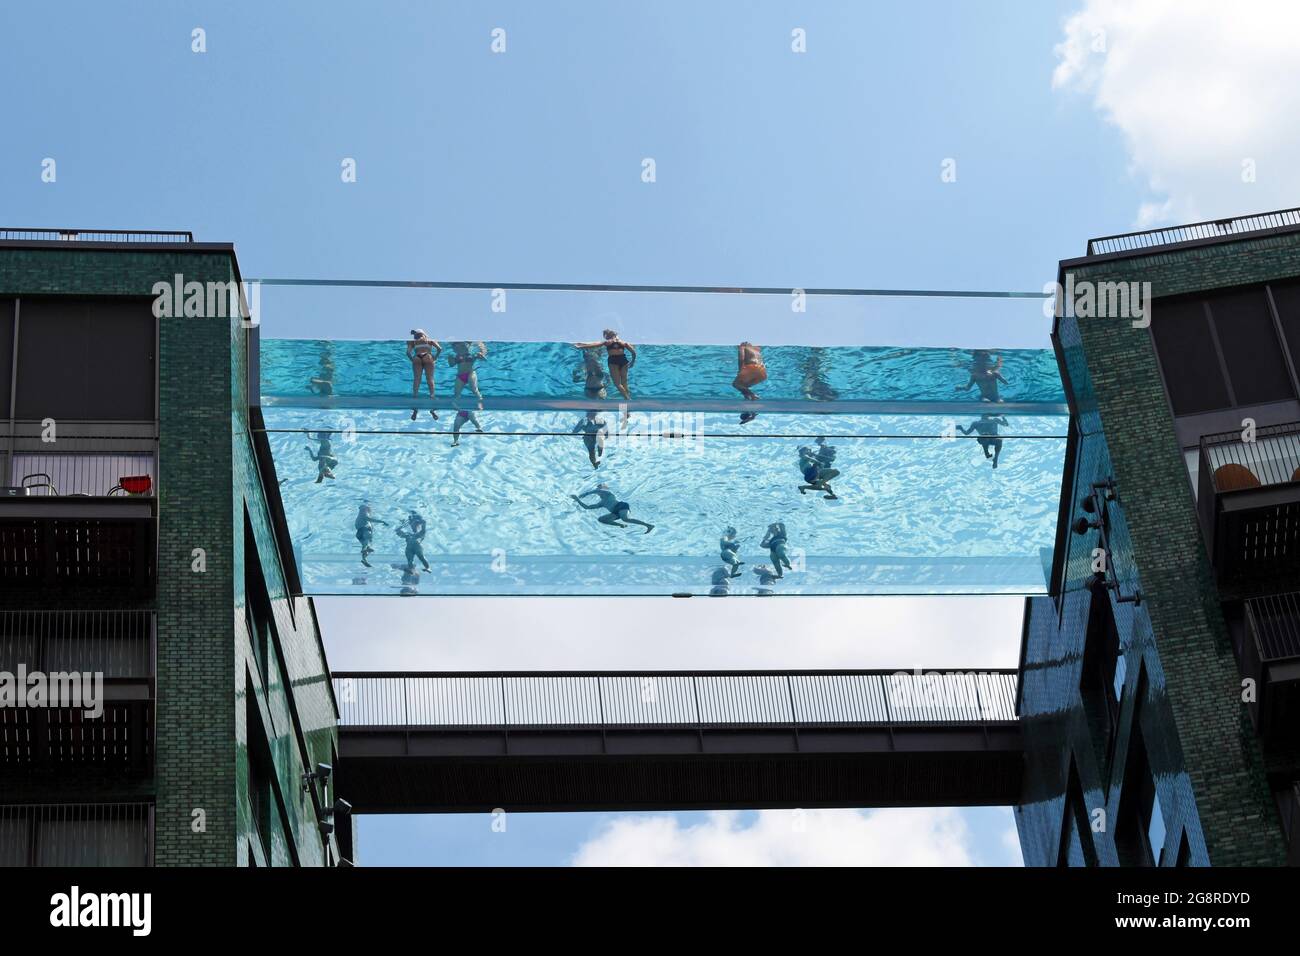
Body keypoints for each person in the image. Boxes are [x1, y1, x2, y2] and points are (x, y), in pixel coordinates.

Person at [572, 330, 636, 401]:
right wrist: (632, 362)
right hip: (623, 361)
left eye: (606, 336)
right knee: (624, 382)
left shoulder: (608, 342)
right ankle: (627, 400)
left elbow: (595, 344)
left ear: (608, 335)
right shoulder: (624, 343)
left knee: (617, 384)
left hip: (613, 363)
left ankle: (627, 399)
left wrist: (580, 346)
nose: (605, 338)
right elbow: (633, 352)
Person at [571, 483, 654, 533]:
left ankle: (648, 525)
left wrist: (586, 494)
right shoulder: (601, 503)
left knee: (625, 518)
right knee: (601, 519)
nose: (599, 493)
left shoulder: (609, 494)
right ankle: (620, 525)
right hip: (615, 512)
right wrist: (577, 499)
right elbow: (587, 507)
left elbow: (597, 491)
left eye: (600, 491)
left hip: (621, 506)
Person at [407, 329, 442, 420]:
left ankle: (415, 397)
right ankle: (432, 396)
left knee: (417, 379)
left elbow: (408, 353)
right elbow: (439, 349)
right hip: (428, 356)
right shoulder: (430, 340)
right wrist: (435, 358)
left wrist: (413, 360)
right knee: (430, 378)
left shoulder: (413, 341)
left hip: (417, 357)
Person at [448, 341, 488, 409]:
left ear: (468, 347)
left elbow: (485, 360)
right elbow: (451, 365)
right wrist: (450, 359)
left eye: (462, 346)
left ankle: (480, 402)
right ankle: (455, 405)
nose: (460, 349)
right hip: (460, 376)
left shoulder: (473, 354)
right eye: (457, 348)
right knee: (456, 394)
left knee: (474, 390)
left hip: (470, 373)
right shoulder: (456, 356)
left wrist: (482, 356)